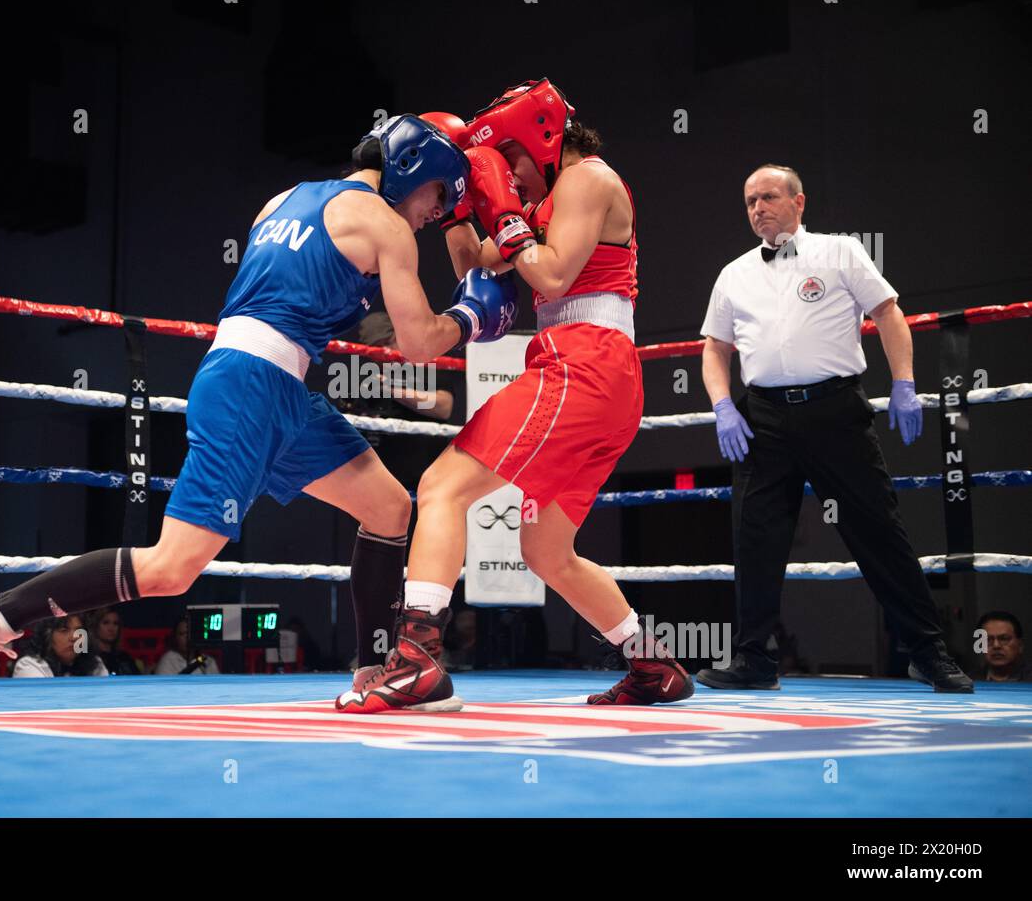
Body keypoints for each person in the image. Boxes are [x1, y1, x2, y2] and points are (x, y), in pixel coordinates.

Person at [0, 113, 517, 715]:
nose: (435, 211)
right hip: (252, 385)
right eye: (438, 195)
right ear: (411, 169)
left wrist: (458, 229)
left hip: (272, 384)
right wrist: (472, 317)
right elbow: (419, 344)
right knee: (172, 568)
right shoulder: (385, 226)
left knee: (389, 507)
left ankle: (376, 671)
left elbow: (295, 291)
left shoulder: (283, 200)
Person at [341, 79, 694, 712]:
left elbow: (551, 272)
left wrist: (506, 216)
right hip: (599, 377)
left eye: (513, 162)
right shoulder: (546, 200)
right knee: (547, 550)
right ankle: (653, 665)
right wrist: (457, 206)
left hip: (582, 364)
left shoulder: (587, 180)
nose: (514, 178)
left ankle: (417, 657)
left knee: (442, 487)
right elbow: (474, 264)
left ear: (541, 140)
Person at [696, 163, 972, 693]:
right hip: (763, 419)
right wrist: (723, 405)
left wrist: (904, 383)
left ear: (799, 203)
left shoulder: (841, 251)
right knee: (754, 538)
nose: (758, 208)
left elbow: (889, 314)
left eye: (769, 197)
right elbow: (715, 348)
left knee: (877, 529)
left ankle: (930, 654)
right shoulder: (734, 273)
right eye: (750, 201)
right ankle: (754, 660)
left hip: (835, 411)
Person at [13, 614, 109, 678]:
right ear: (47, 635)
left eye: (79, 631)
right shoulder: (29, 665)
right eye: (64, 630)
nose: (74, 638)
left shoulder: (95, 663)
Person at [976, 611, 1032, 682]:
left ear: (1020, 645)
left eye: (1004, 639)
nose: (996, 645)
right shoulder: (968, 682)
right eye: (988, 640)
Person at [153, 617, 219, 675]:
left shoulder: (208, 661)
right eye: (182, 634)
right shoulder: (168, 661)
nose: (187, 637)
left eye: (190, 633)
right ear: (175, 637)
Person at [86, 606, 141, 675]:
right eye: (106, 623)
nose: (111, 628)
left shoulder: (124, 658)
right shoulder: (89, 658)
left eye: (115, 623)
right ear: (96, 626)